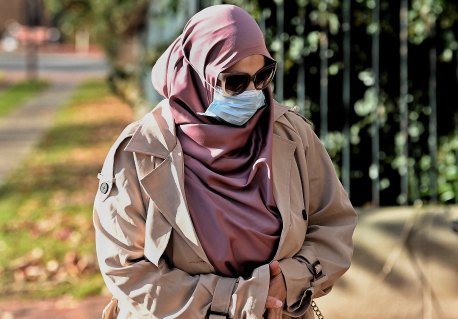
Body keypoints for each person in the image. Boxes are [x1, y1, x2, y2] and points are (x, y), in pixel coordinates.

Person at [93, 4, 357, 319]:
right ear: (197, 77)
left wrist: (289, 280)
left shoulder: (290, 134)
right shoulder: (139, 151)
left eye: (262, 76)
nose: (253, 92)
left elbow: (335, 222)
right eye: (234, 82)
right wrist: (236, 301)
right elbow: (124, 270)